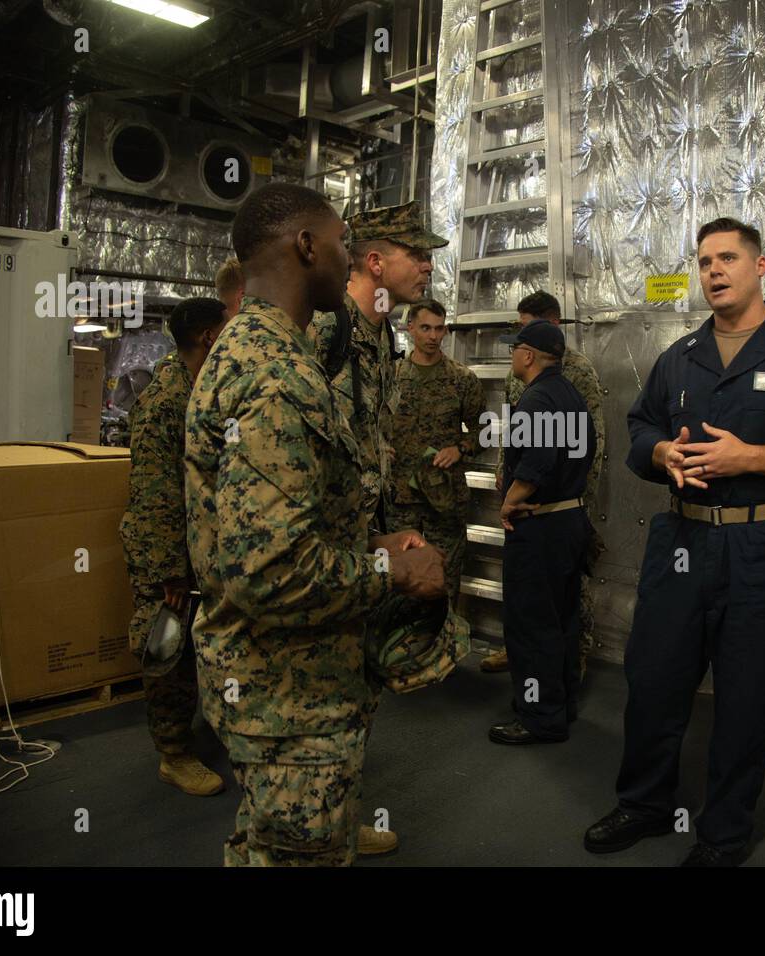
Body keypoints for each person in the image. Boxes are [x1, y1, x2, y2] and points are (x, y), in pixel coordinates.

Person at [583, 217, 765, 866]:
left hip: (762, 547)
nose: (713, 271)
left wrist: (752, 459)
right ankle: (646, 804)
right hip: (681, 541)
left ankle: (724, 835)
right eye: (704, 260)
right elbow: (642, 426)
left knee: (747, 697)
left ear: (759, 267)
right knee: (653, 681)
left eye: (727, 258)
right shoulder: (681, 356)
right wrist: (664, 456)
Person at [184, 183, 445, 867]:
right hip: (283, 682)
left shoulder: (267, 349)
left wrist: (366, 540)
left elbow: (290, 498)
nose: (348, 256)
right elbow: (271, 570)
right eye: (340, 244)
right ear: (306, 247)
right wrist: (390, 568)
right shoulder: (278, 371)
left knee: (271, 839)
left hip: (289, 670)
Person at [307, 199, 448, 856]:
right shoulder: (325, 334)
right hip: (315, 559)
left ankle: (336, 818)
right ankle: (308, 831)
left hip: (358, 545)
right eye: (416, 253)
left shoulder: (378, 339)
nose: (427, 264)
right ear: (374, 261)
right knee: (311, 713)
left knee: (354, 698)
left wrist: (380, 536)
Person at [119, 296, 231, 797]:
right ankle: (174, 754)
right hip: (168, 554)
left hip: (202, 549)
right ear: (210, 337)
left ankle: (205, 731)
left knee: (201, 646)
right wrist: (169, 570)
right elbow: (154, 490)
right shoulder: (166, 399)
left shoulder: (203, 387)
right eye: (226, 329)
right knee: (168, 649)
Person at [482, 291, 605, 678]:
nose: (517, 343)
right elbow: (515, 427)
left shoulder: (576, 373)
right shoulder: (525, 378)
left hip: (551, 503)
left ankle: (565, 668)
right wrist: (507, 469)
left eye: (523, 333)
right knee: (536, 602)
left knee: (553, 598)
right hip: (532, 497)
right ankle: (540, 664)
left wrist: (571, 497)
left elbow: (589, 440)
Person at [489, 320, 596, 745]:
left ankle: (539, 717)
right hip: (570, 520)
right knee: (563, 618)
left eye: (515, 349)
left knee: (531, 625)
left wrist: (511, 501)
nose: (512, 355)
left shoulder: (535, 399)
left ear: (529, 355)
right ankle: (561, 703)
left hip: (541, 525)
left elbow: (537, 462)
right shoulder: (570, 394)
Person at [389, 299, 484, 604]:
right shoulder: (391, 376)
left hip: (444, 501)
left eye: (439, 329)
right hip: (401, 500)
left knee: (444, 580)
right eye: (425, 328)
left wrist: (460, 448)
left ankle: (444, 645)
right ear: (410, 329)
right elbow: (370, 424)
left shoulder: (461, 379)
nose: (432, 336)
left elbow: (483, 430)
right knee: (400, 580)